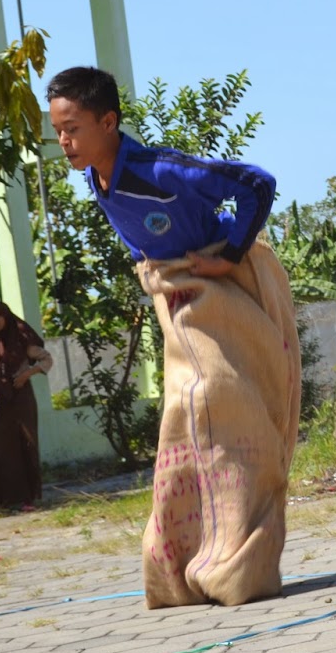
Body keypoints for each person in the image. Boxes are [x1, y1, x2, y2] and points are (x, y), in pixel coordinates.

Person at [46, 66, 300, 608]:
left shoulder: (161, 169)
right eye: (57, 131)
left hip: (225, 294)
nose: (63, 141)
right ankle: (187, 564)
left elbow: (256, 184)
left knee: (220, 404)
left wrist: (228, 256)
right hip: (179, 306)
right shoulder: (96, 178)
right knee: (185, 430)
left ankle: (241, 565)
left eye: (72, 128)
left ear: (108, 122)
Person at [0, 300, 53, 512]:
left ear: (6, 317)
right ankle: (4, 499)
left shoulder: (21, 339)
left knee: (25, 446)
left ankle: (27, 500)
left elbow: (46, 360)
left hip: (22, 399)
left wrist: (26, 375)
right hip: (4, 401)